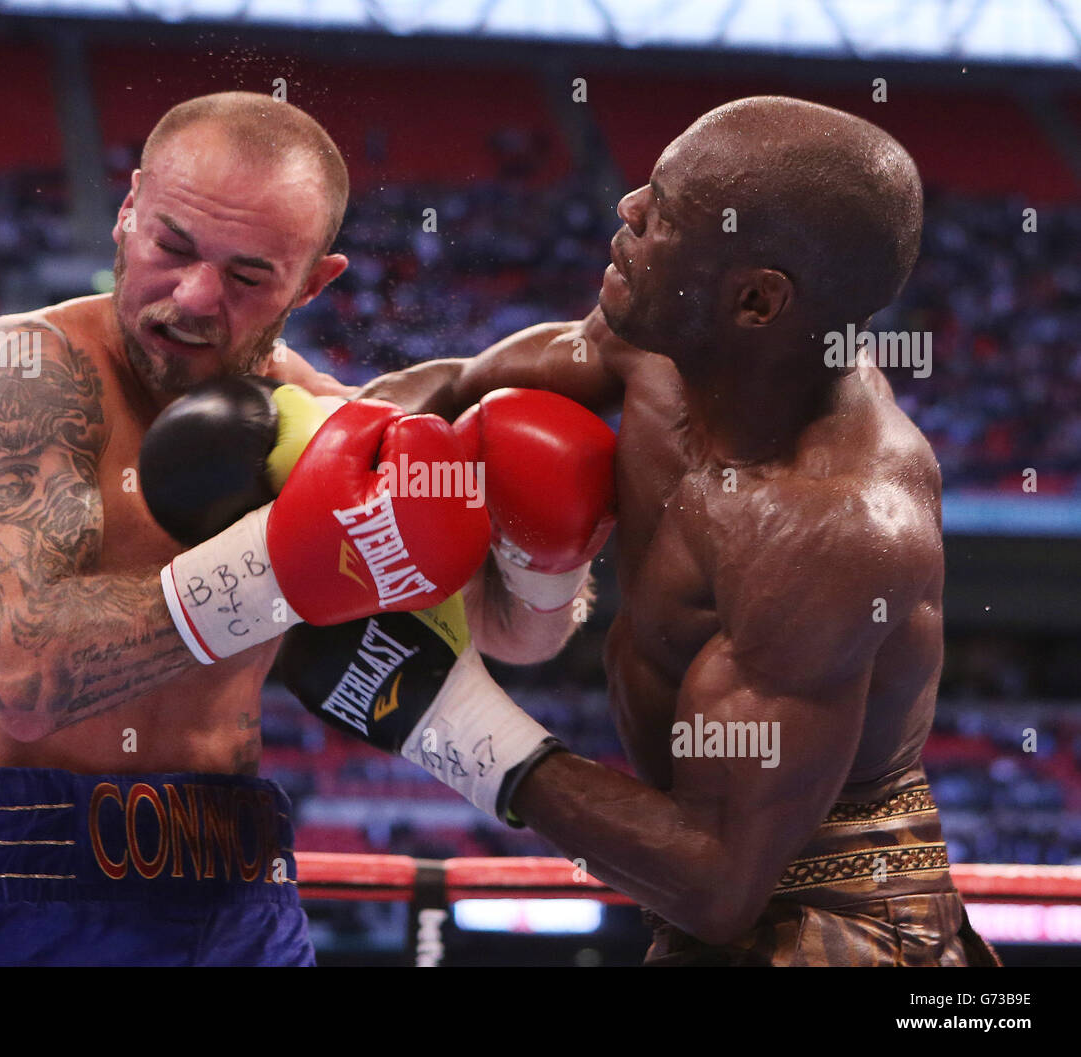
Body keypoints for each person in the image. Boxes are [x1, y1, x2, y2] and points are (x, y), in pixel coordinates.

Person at [0, 91, 552, 967]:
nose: (193, 297)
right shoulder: (28, 367)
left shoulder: (326, 425)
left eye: (250, 276)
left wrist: (548, 552)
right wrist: (279, 566)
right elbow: (27, 675)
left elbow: (510, 633)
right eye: (171, 246)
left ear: (315, 281)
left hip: (235, 876)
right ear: (128, 208)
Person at [314, 95, 1000, 965]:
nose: (626, 208)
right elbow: (453, 387)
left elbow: (719, 882)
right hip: (698, 878)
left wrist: (431, 712)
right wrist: (301, 445)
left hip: (845, 917)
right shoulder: (662, 338)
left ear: (756, 298)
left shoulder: (837, 526)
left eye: (665, 211)